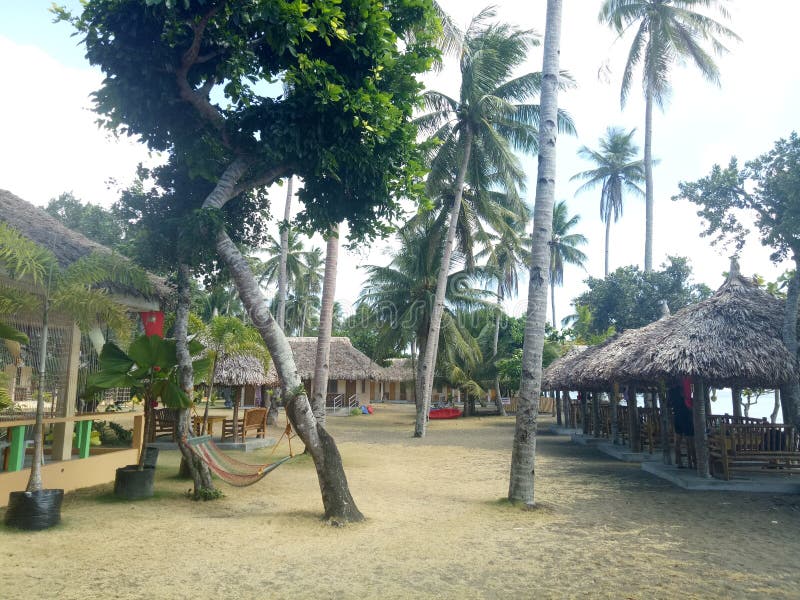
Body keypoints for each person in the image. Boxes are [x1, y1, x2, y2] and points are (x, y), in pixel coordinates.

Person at [668, 383, 696, 469]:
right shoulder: (683, 391)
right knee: (691, 442)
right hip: (686, 418)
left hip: (677, 418)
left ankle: (679, 462)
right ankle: (694, 463)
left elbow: (668, 404)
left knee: (678, 442)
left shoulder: (671, 392)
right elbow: (690, 407)